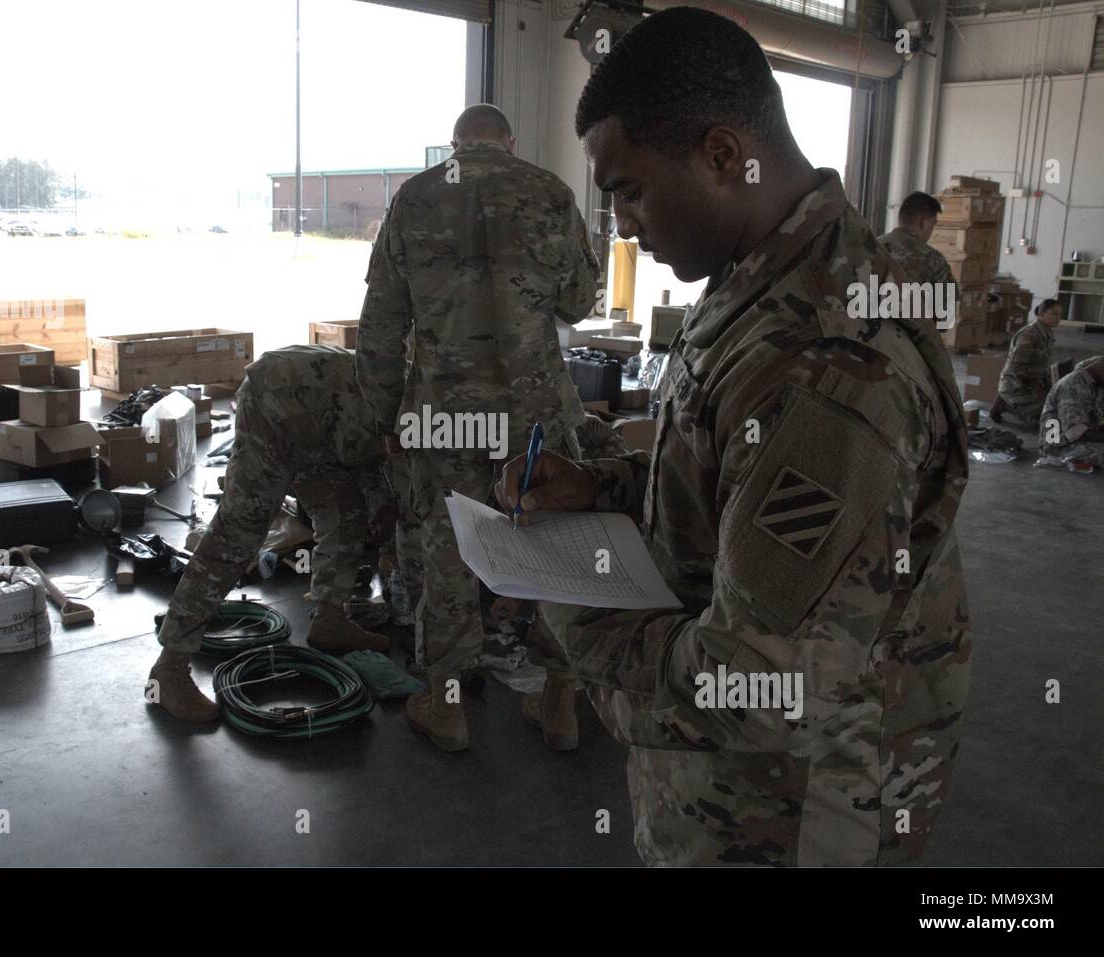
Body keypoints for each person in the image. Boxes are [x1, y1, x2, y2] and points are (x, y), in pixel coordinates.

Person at [495, 7, 970, 866]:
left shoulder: (826, 366)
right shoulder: (767, 279)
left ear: (720, 156)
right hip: (739, 796)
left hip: (793, 813)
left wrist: (560, 590)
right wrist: (604, 488)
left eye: (629, 190)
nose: (624, 226)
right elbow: (730, 484)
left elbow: (751, 682)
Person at [355, 103, 599, 751]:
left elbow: (380, 322)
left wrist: (385, 415)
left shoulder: (415, 198)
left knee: (448, 552)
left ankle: (448, 704)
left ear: (455, 146)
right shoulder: (550, 193)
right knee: (554, 552)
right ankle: (558, 698)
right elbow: (579, 300)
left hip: (444, 415)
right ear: (509, 144)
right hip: (536, 411)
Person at [148, 345, 395, 723]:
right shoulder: (431, 415)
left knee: (346, 514)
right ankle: (170, 668)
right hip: (278, 400)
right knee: (238, 532)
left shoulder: (438, 418)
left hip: (325, 427)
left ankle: (330, 618)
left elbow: (384, 483)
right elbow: (404, 498)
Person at [991, 299, 1061, 425]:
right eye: (1054, 313)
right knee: (1044, 419)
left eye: (1060, 314)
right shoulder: (1029, 335)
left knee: (1058, 406)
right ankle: (1006, 403)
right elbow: (1015, 369)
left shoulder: (1047, 333)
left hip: (1033, 383)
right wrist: (1034, 387)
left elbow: (1043, 364)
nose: (1058, 318)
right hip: (1016, 385)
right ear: (1041, 313)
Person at [878, 191, 956, 287]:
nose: (931, 231)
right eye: (932, 225)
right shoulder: (932, 259)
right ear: (922, 222)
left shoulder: (872, 246)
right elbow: (948, 300)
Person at [1040, 356, 1104, 466]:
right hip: (1059, 445)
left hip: (1083, 438)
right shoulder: (1074, 384)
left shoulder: (1096, 384)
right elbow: (1074, 432)